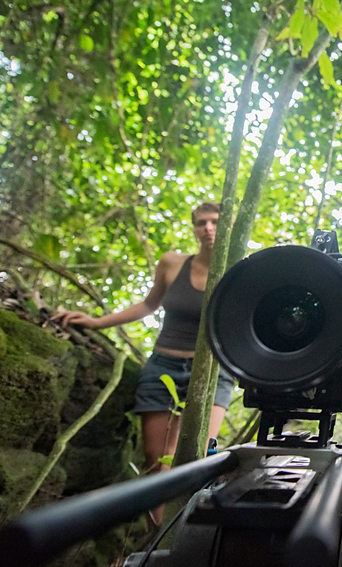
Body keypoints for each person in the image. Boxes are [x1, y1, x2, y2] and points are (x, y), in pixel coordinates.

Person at [54, 202, 236, 524]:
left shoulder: (238, 271)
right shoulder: (171, 263)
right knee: (156, 462)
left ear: (228, 227)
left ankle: (185, 536)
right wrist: (96, 322)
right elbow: (149, 305)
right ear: (194, 228)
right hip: (163, 366)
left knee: (198, 455)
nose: (208, 228)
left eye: (215, 222)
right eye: (201, 223)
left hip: (210, 373)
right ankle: (156, 541)